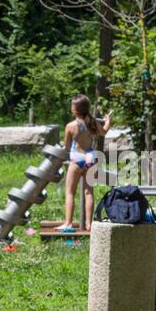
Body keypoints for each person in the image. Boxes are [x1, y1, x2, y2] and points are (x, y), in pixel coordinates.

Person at [56, 95, 111, 232]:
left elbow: (67, 146)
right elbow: (103, 132)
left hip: (76, 160)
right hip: (90, 159)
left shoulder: (70, 126)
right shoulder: (92, 123)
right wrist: (108, 120)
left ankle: (68, 223)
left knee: (70, 192)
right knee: (89, 192)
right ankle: (89, 224)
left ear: (75, 109)